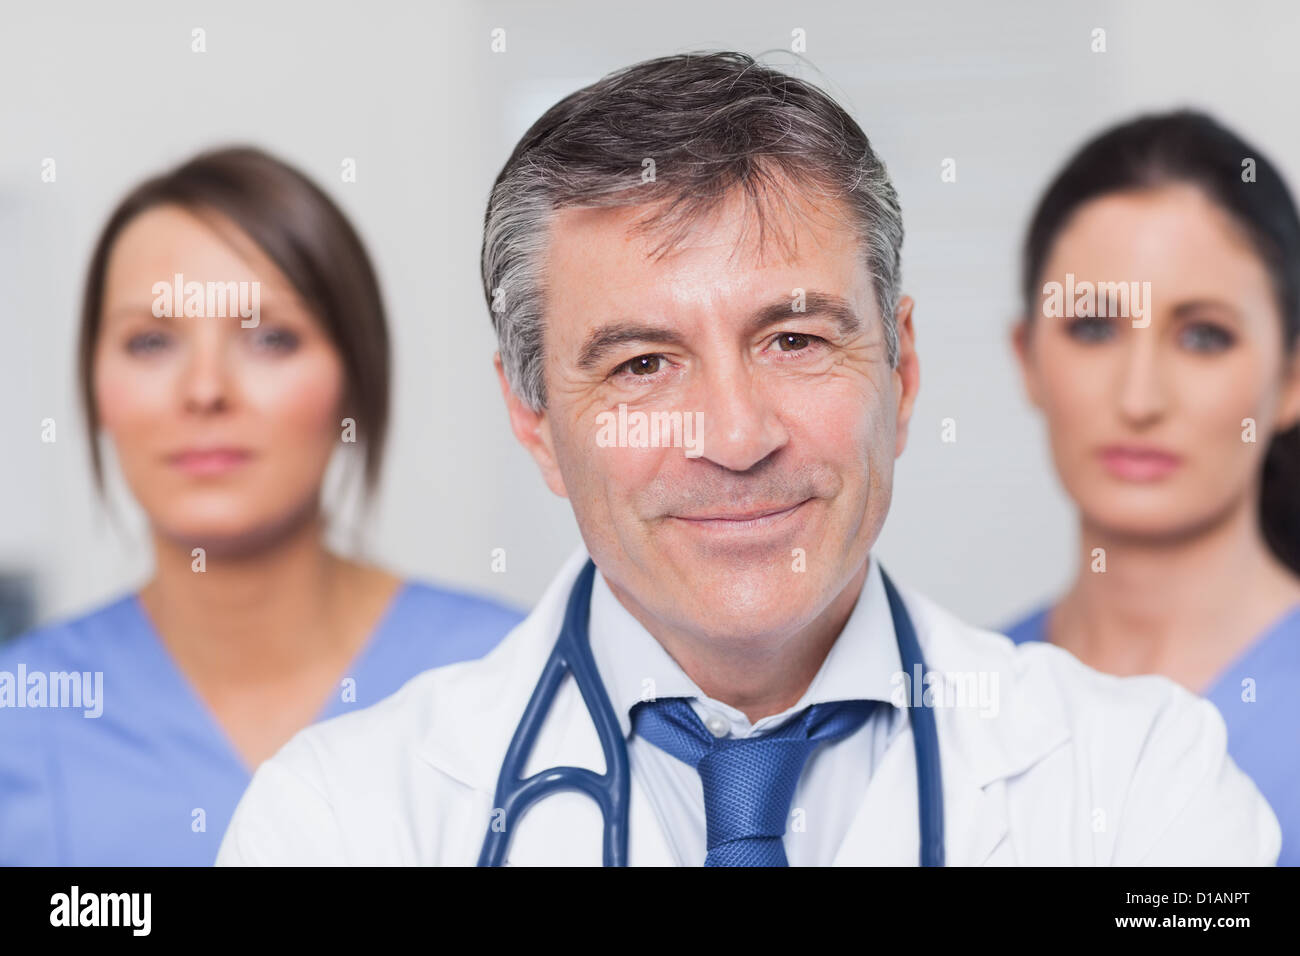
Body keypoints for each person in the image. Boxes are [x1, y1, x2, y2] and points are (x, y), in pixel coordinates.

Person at [217, 54, 1278, 866]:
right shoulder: (338, 822)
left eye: (796, 340)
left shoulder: (1143, 784)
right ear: (534, 418)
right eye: (641, 363)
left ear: (901, 371)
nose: (735, 436)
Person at [0, 147, 521, 865]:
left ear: (356, 379)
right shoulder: (23, 710)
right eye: (150, 341)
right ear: (94, 389)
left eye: (270, 338)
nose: (205, 389)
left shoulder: (516, 675)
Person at [1002, 111, 1300, 865]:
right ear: (1027, 356)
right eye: (1094, 329)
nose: (1139, 399)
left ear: (1292, 377)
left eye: (1203, 336)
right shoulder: (955, 695)